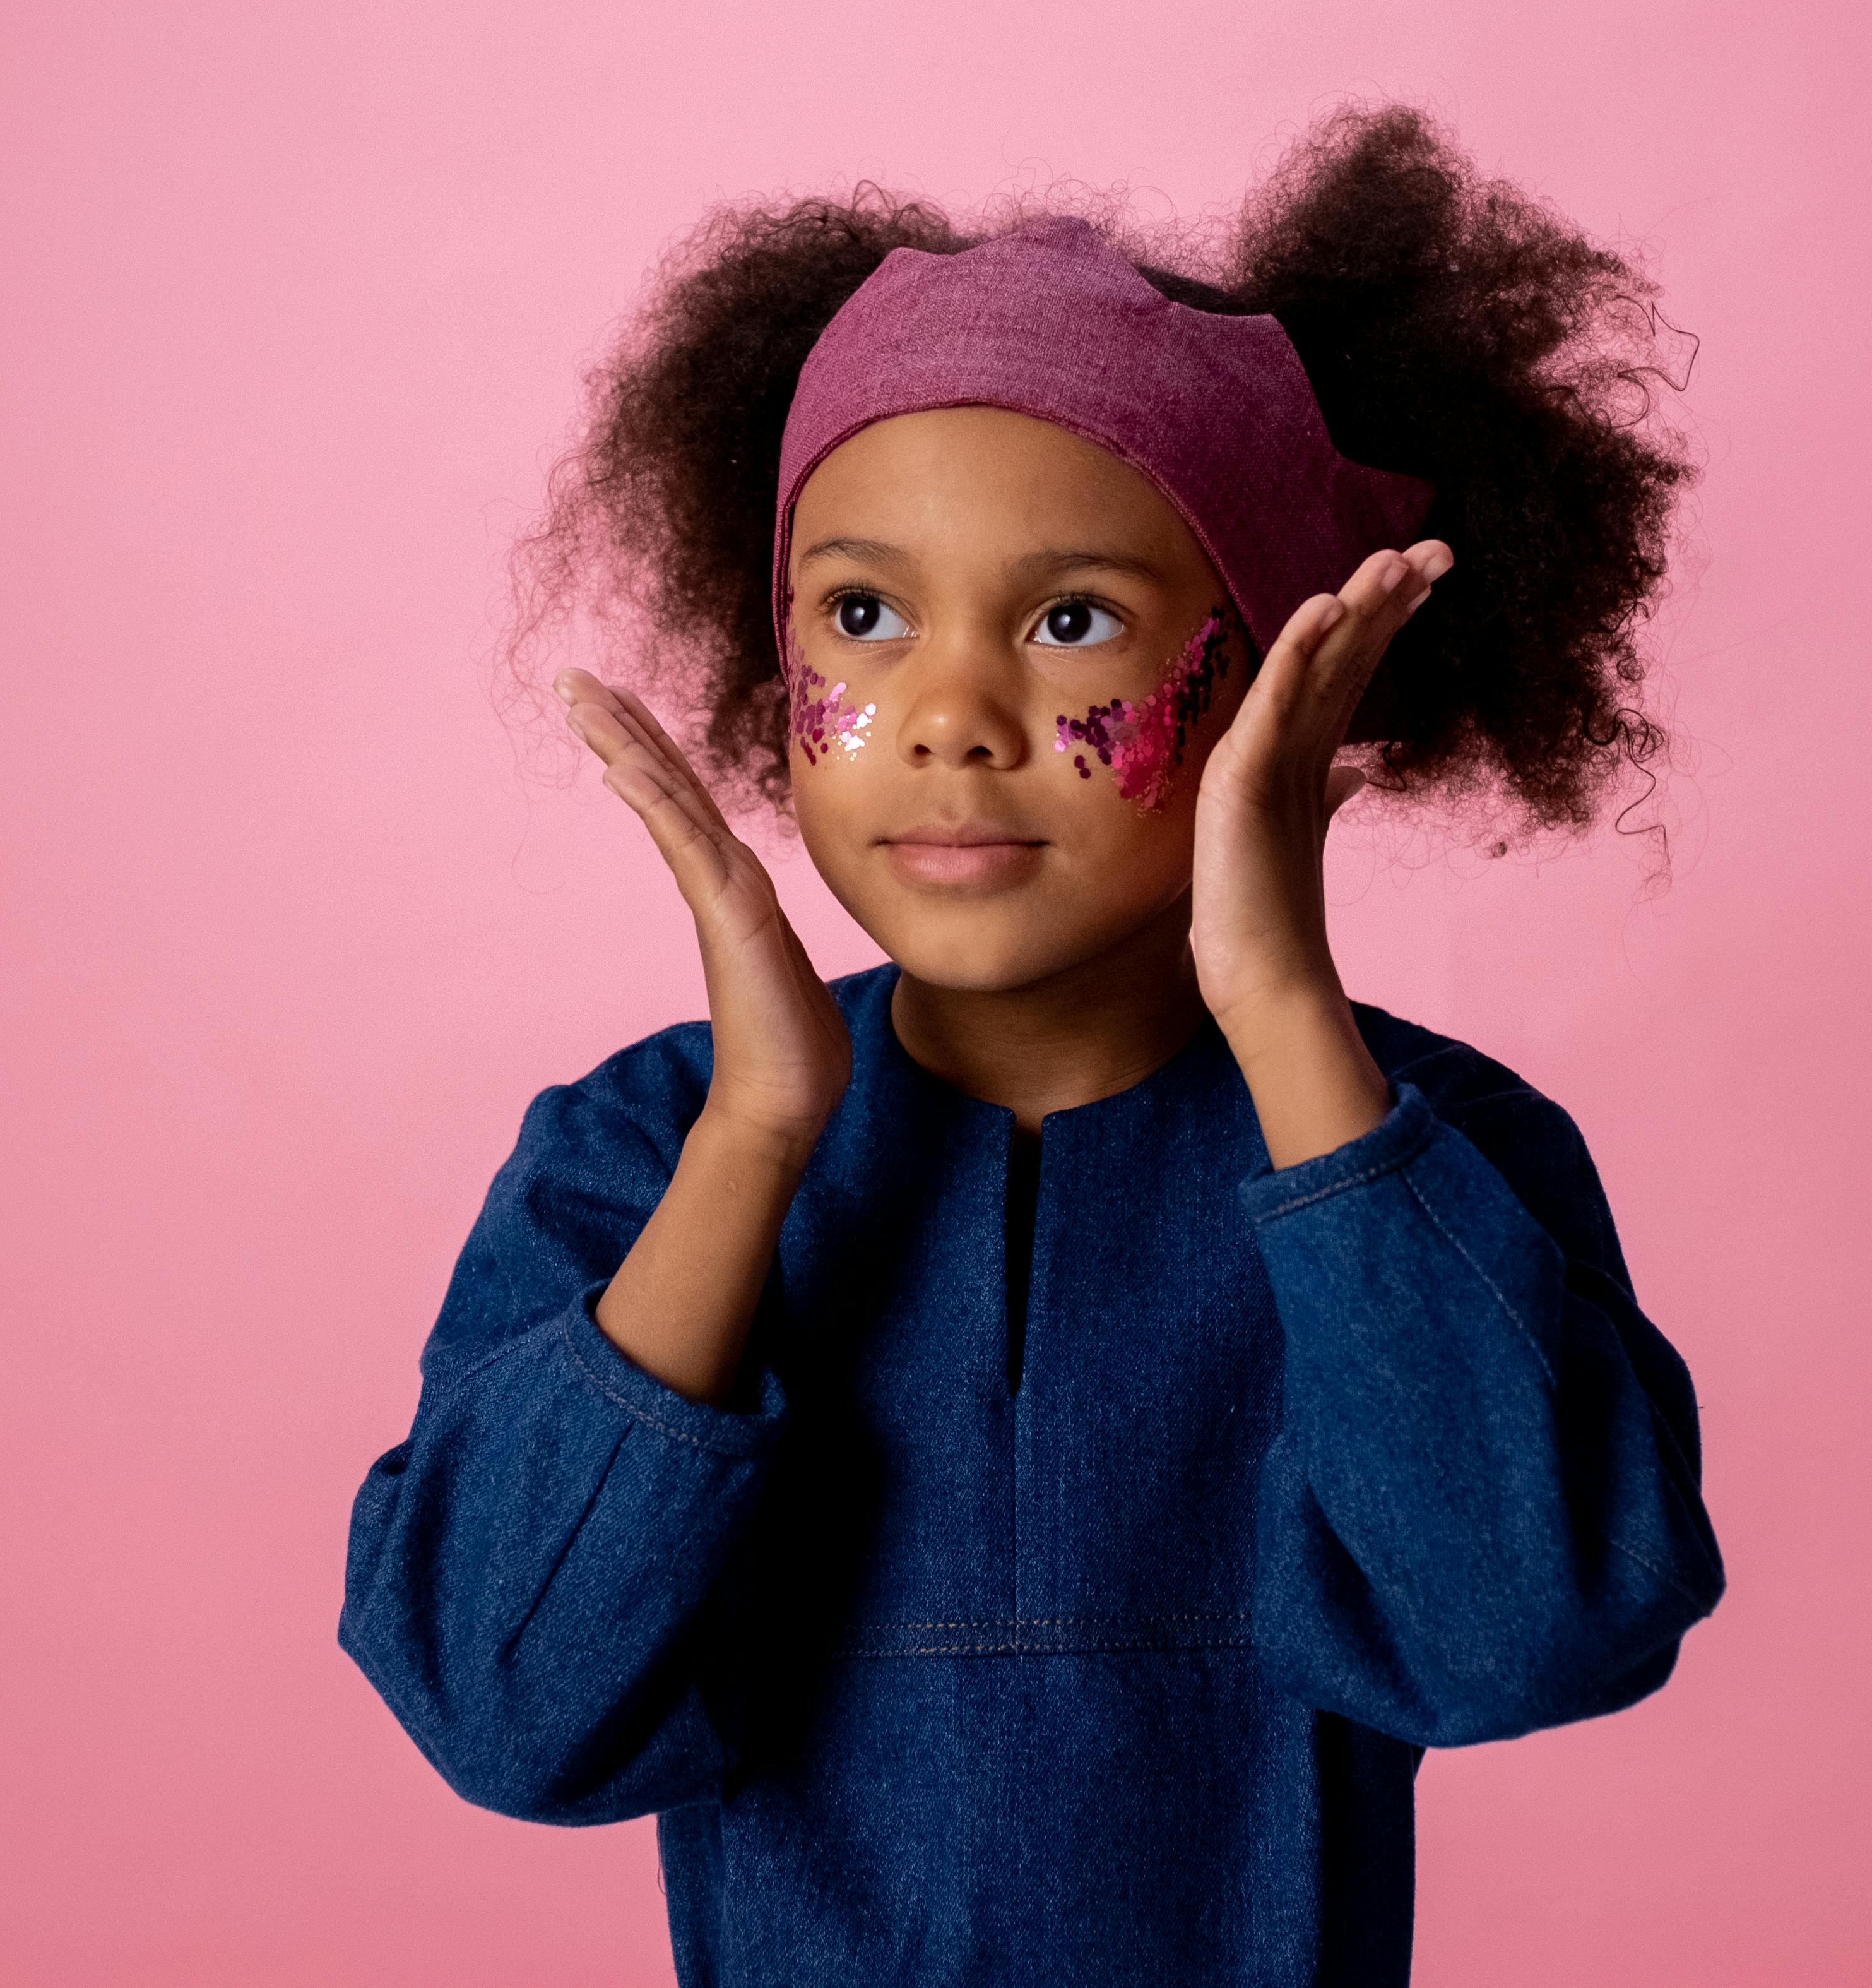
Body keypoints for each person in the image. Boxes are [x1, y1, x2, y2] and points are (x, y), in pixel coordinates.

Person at [340, 107, 1725, 1987]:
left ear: (1283, 679)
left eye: (1072, 622)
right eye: (863, 616)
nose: (949, 715)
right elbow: (507, 1709)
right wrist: (756, 1136)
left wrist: (1286, 1011)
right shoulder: (637, 1147)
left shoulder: (1435, 1149)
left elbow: (1534, 1631)